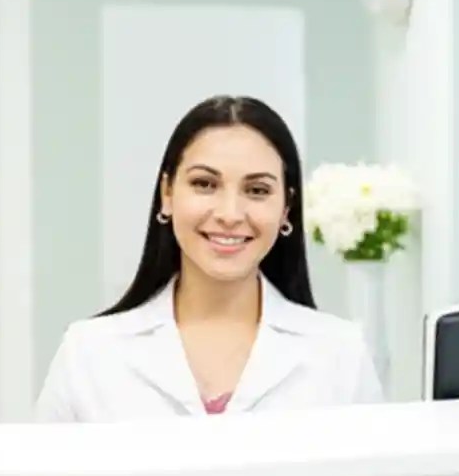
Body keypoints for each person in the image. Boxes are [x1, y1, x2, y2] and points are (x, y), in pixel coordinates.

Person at [35, 95, 383, 422]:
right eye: (204, 184)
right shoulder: (88, 354)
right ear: (167, 194)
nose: (230, 214)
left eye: (257, 190)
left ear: (286, 208)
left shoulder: (340, 354)